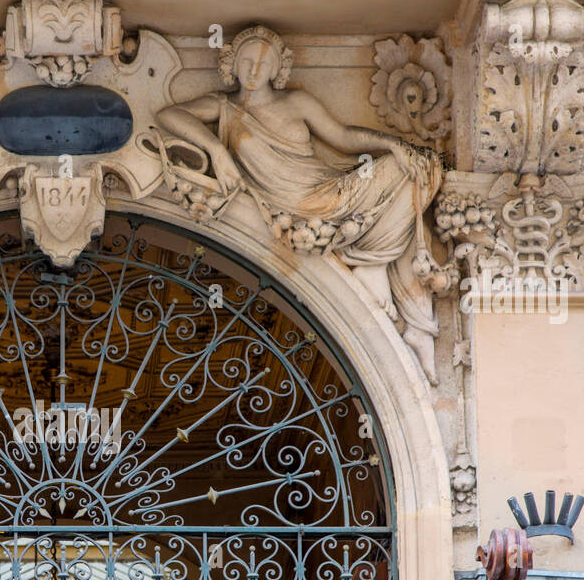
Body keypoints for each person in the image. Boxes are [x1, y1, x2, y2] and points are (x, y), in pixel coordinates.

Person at [157, 25, 443, 382]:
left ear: (279, 69)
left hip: (328, 192)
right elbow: (170, 115)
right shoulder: (222, 106)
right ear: (231, 64)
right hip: (290, 206)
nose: (255, 68)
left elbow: (341, 136)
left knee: (422, 166)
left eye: (265, 61)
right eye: (247, 60)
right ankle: (375, 264)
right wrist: (217, 150)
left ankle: (375, 262)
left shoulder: (296, 102)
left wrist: (392, 145)